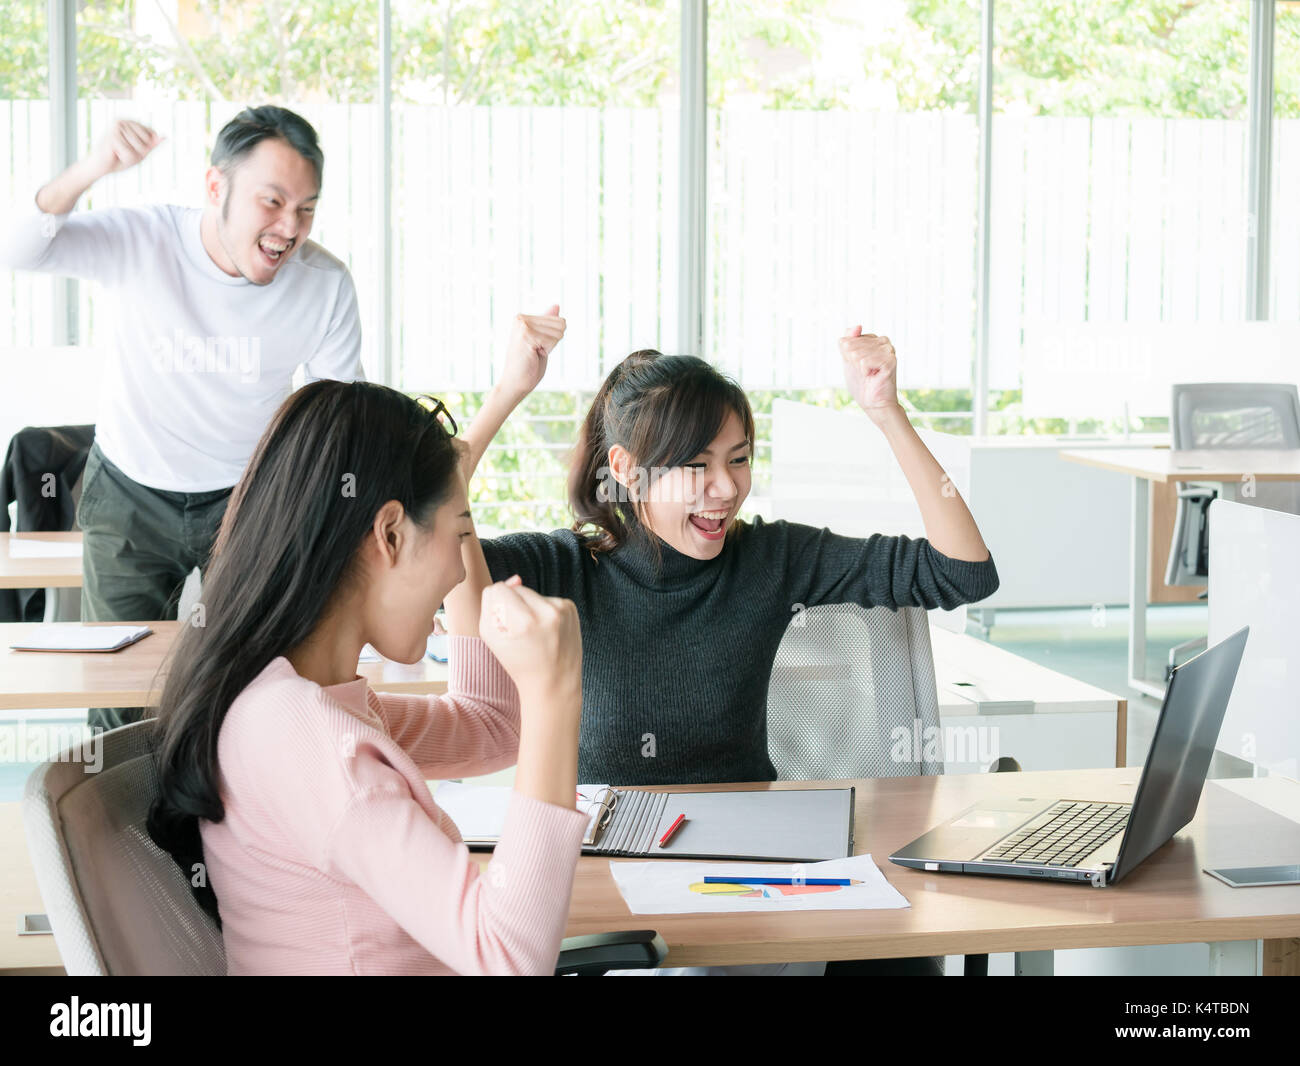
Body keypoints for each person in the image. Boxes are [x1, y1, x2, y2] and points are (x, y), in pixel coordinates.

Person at [461, 329, 1000, 975]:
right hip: (606, 874)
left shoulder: (771, 558)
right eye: (697, 465)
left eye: (738, 459)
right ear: (627, 469)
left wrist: (886, 412)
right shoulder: (562, 566)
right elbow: (435, 543)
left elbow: (962, 573)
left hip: (747, 868)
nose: (724, 488)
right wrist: (506, 395)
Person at [147, 380, 587, 976]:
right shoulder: (310, 739)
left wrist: (454, 501)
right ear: (389, 534)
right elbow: (509, 958)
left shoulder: (294, 704)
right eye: (459, 537)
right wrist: (555, 692)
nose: (461, 570)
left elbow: (489, 725)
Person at [0, 106, 361, 731]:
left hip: (250, 502)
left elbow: (342, 418)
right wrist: (94, 166)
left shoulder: (323, 283)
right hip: (128, 495)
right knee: (119, 691)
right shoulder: (144, 240)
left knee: (257, 680)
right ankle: (117, 822)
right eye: (271, 202)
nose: (288, 227)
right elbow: (21, 249)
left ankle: (238, 820)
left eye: (306, 208)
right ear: (215, 186)